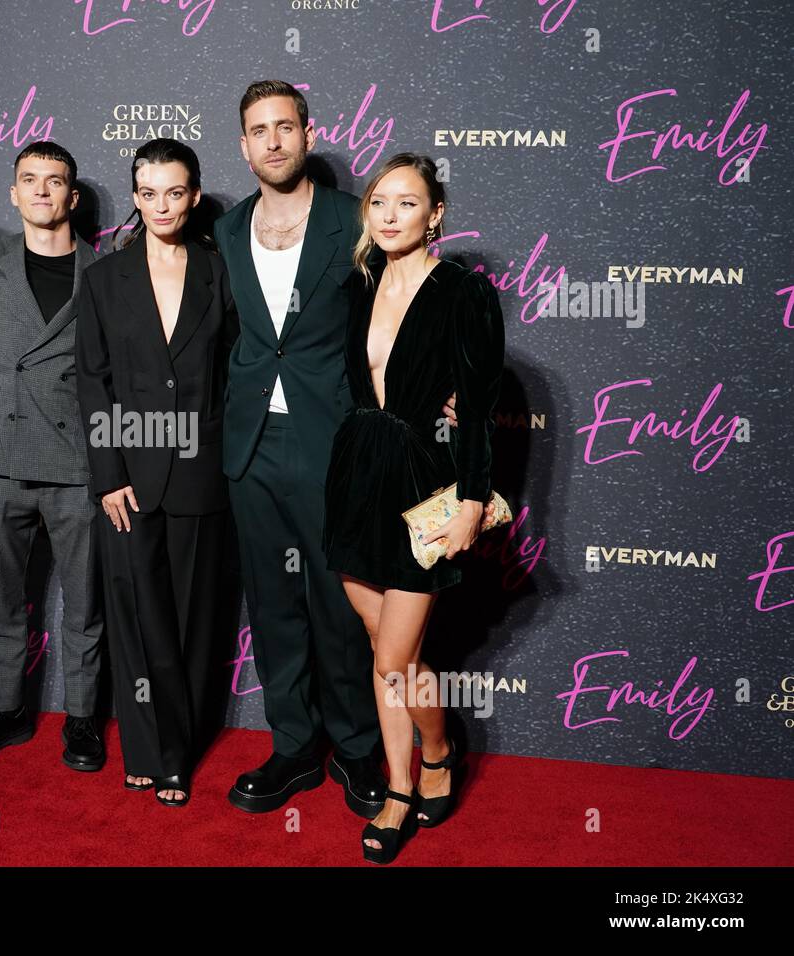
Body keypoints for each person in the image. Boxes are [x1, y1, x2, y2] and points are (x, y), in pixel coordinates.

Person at [215, 81, 463, 818]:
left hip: (335, 442)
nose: (273, 141)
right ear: (244, 145)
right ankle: (292, 746)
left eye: (284, 126)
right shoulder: (227, 231)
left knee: (341, 605)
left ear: (307, 133)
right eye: (258, 130)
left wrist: (445, 388)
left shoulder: (352, 219)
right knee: (273, 604)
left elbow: (403, 304)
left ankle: (358, 749)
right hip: (252, 443)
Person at [323, 153, 505, 863]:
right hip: (358, 471)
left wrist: (470, 499)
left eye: (408, 203)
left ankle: (429, 757)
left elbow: (481, 409)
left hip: (426, 480)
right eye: (379, 203)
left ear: (436, 215)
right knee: (385, 650)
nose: (391, 215)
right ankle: (410, 775)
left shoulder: (464, 292)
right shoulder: (358, 283)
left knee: (397, 657)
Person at [75, 138, 239, 806]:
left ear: (195, 195)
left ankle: (179, 751)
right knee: (137, 619)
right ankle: (146, 750)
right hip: (129, 478)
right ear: (135, 197)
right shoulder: (104, 278)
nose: (163, 204)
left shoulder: (221, 270)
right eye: (149, 193)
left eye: (176, 192)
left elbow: (237, 373)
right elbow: (92, 378)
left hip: (204, 473)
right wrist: (108, 474)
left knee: (197, 623)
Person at [0, 142, 108, 772]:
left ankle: (84, 718)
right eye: (29, 180)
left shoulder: (104, 271)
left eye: (55, 181)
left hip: (76, 471)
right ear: (13, 193)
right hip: (0, 464)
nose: (42, 191)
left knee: (85, 607)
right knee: (3, 603)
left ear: (72, 196)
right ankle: (9, 710)